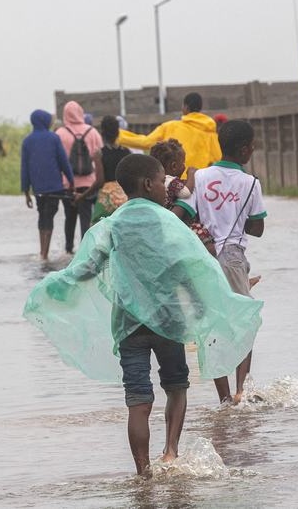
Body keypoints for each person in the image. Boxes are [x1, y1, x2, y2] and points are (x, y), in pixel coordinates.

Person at [23, 154, 263, 476]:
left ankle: (143, 473)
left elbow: (86, 268)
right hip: (168, 323)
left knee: (138, 400)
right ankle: (170, 453)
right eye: (163, 180)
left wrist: (53, 286)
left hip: (129, 327)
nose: (166, 187)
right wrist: (208, 302)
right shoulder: (169, 224)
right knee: (176, 387)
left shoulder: (111, 225)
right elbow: (190, 267)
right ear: (148, 184)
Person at [173, 120, 267, 406]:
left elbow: (184, 214)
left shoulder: (200, 177)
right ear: (243, 150)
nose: (252, 150)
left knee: (210, 325)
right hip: (234, 257)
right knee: (244, 321)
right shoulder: (250, 183)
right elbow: (258, 227)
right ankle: (242, 391)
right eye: (251, 146)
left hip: (203, 257)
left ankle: (224, 397)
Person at [117, 93, 221, 176]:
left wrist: (118, 136)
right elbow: (218, 158)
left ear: (185, 107)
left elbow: (146, 142)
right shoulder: (210, 131)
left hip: (175, 181)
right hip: (198, 182)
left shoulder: (170, 126)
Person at [20, 109, 75, 261]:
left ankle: (42, 252)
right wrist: (71, 181)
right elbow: (63, 161)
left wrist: (26, 191)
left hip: (38, 188)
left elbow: (24, 168)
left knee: (42, 215)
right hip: (54, 187)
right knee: (49, 216)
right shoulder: (53, 138)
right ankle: (45, 253)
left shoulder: (27, 141)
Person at [149, 139, 215, 257]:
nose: (184, 166)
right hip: (180, 222)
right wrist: (192, 174)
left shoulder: (156, 182)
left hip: (164, 222)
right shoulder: (171, 180)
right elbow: (185, 192)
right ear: (174, 166)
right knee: (209, 245)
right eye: (183, 163)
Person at [55, 101, 104, 254]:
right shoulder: (92, 132)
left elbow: (56, 160)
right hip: (89, 183)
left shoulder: (60, 133)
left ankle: (69, 249)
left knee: (69, 217)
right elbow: (100, 155)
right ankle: (86, 250)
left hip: (67, 184)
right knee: (86, 216)